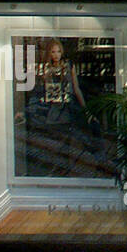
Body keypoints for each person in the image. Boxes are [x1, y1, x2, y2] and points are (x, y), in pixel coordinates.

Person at [16, 39, 89, 177]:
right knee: (53, 144)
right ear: (49, 53)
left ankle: (63, 172)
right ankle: (54, 172)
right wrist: (26, 110)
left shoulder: (68, 66)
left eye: (58, 51)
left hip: (65, 108)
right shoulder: (45, 69)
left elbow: (76, 88)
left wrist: (85, 108)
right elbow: (37, 92)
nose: (56, 55)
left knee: (66, 143)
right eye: (53, 52)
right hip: (50, 110)